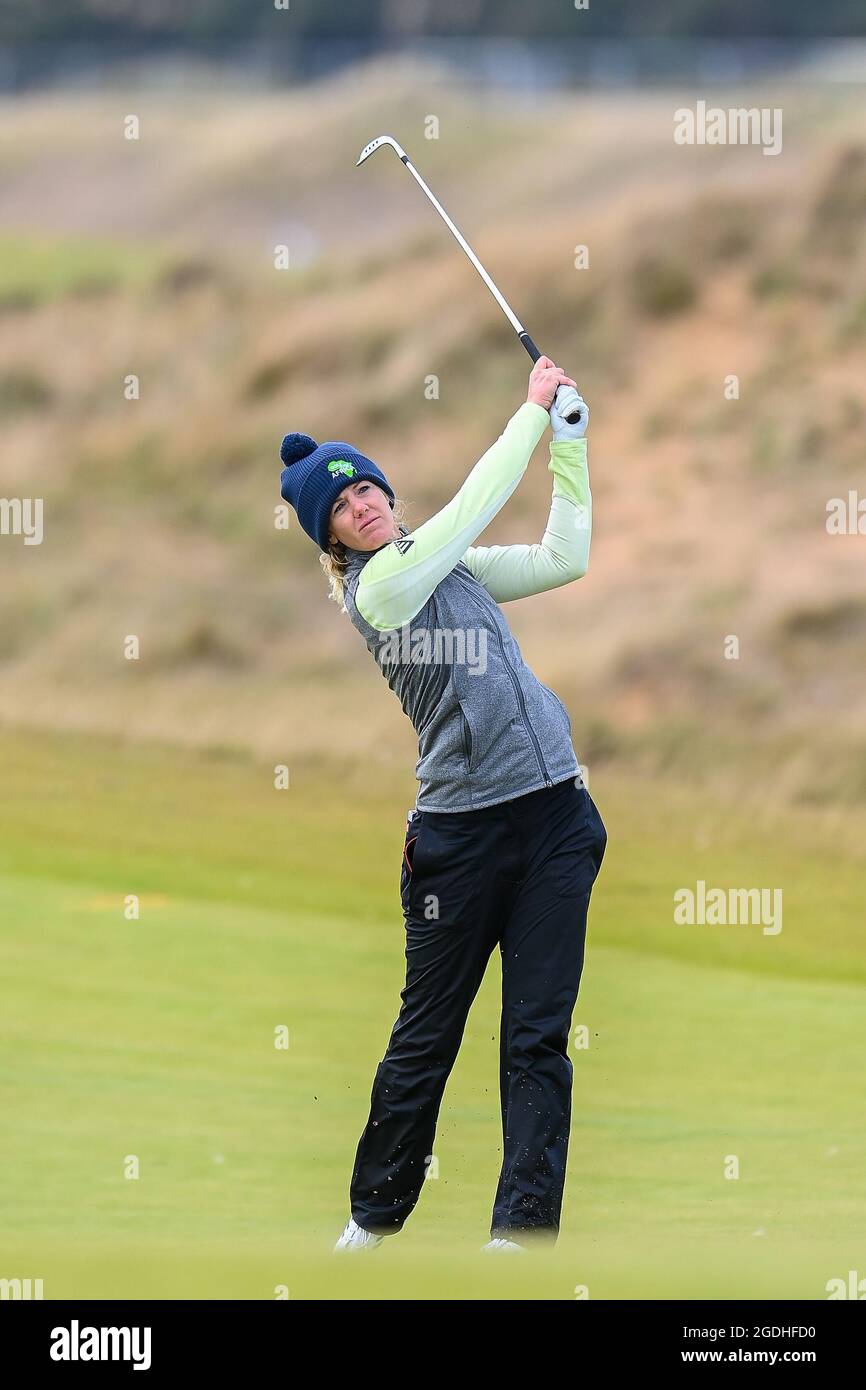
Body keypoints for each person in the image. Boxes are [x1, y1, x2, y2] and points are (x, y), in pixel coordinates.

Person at [279, 358, 607, 1254]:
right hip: (461, 839)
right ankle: (371, 1221)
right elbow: (469, 505)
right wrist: (531, 414)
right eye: (343, 508)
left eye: (368, 489)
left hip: (556, 822)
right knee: (429, 1035)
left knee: (538, 1038)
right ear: (334, 540)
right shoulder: (379, 589)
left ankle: (520, 1240)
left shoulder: (445, 563)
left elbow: (562, 559)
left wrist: (569, 445)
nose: (365, 505)